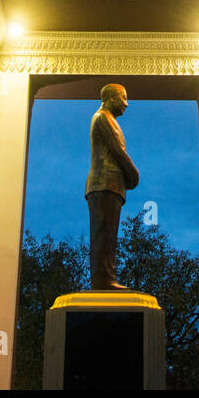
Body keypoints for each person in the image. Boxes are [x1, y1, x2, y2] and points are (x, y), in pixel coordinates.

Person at [86, 83, 140, 289]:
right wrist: (133, 174)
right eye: (122, 98)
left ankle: (107, 279)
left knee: (109, 236)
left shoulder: (109, 119)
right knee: (103, 234)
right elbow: (117, 151)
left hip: (112, 185)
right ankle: (104, 281)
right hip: (104, 184)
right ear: (109, 99)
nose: (126, 103)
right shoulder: (102, 118)